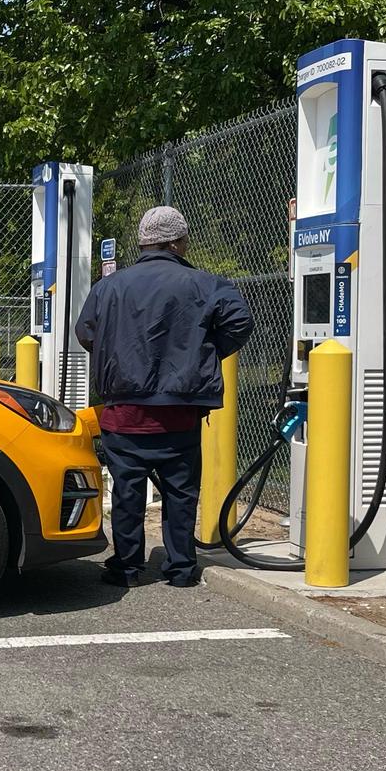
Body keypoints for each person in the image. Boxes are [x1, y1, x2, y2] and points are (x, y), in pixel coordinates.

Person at [74, 205, 253, 588]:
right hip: (180, 411)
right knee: (181, 492)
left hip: (123, 412)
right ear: (177, 242)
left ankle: (126, 567)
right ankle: (181, 569)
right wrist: (200, 355)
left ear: (143, 242)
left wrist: (118, 355)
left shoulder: (109, 287)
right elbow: (241, 322)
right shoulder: (206, 284)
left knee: (126, 493)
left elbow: (85, 332)